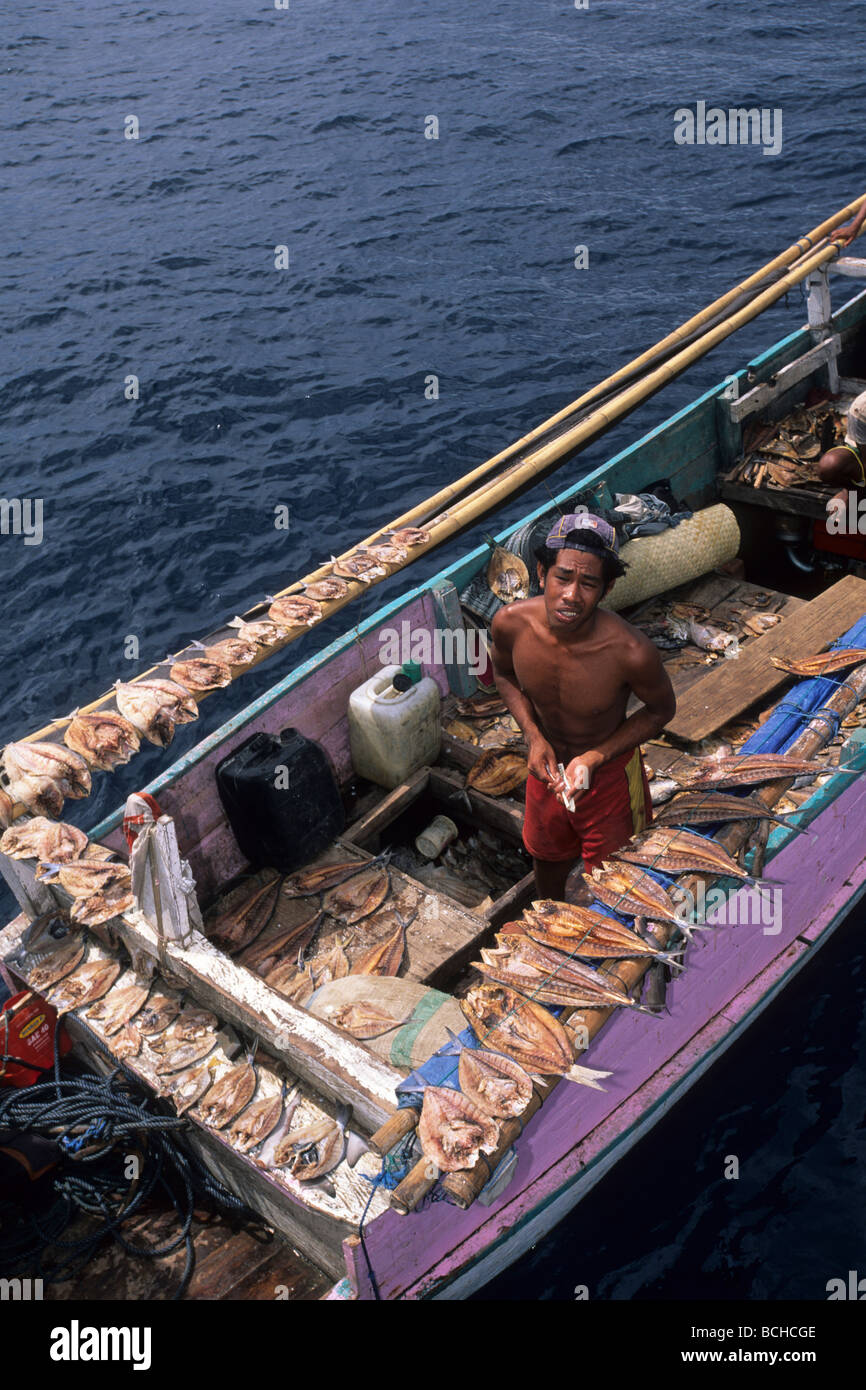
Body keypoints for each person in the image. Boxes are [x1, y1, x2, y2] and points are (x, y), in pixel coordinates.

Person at [490, 513, 676, 901]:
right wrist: (533, 736)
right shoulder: (510, 623)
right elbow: (503, 675)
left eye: (588, 583)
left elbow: (661, 711)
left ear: (606, 590)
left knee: (619, 878)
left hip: (609, 779)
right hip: (546, 769)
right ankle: (547, 922)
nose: (572, 595)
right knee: (546, 855)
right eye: (563, 577)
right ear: (541, 573)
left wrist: (595, 756)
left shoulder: (631, 651)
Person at [818, 390, 866, 511]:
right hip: (863, 454)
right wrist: (853, 493)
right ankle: (852, 490)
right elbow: (865, 458)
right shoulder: (861, 408)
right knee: (829, 466)